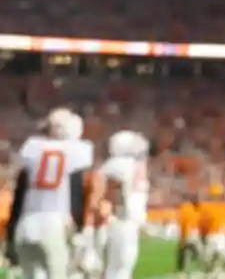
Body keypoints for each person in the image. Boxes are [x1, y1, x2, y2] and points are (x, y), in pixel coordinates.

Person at [6, 108, 94, 279]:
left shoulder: (32, 148)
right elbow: (76, 194)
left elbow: (19, 196)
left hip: (25, 224)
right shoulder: (74, 153)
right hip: (53, 223)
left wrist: (10, 234)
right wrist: (79, 228)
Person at [99, 130, 150, 279]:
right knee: (119, 264)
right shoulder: (119, 165)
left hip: (128, 221)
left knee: (125, 264)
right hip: (121, 220)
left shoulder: (132, 163)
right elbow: (110, 194)